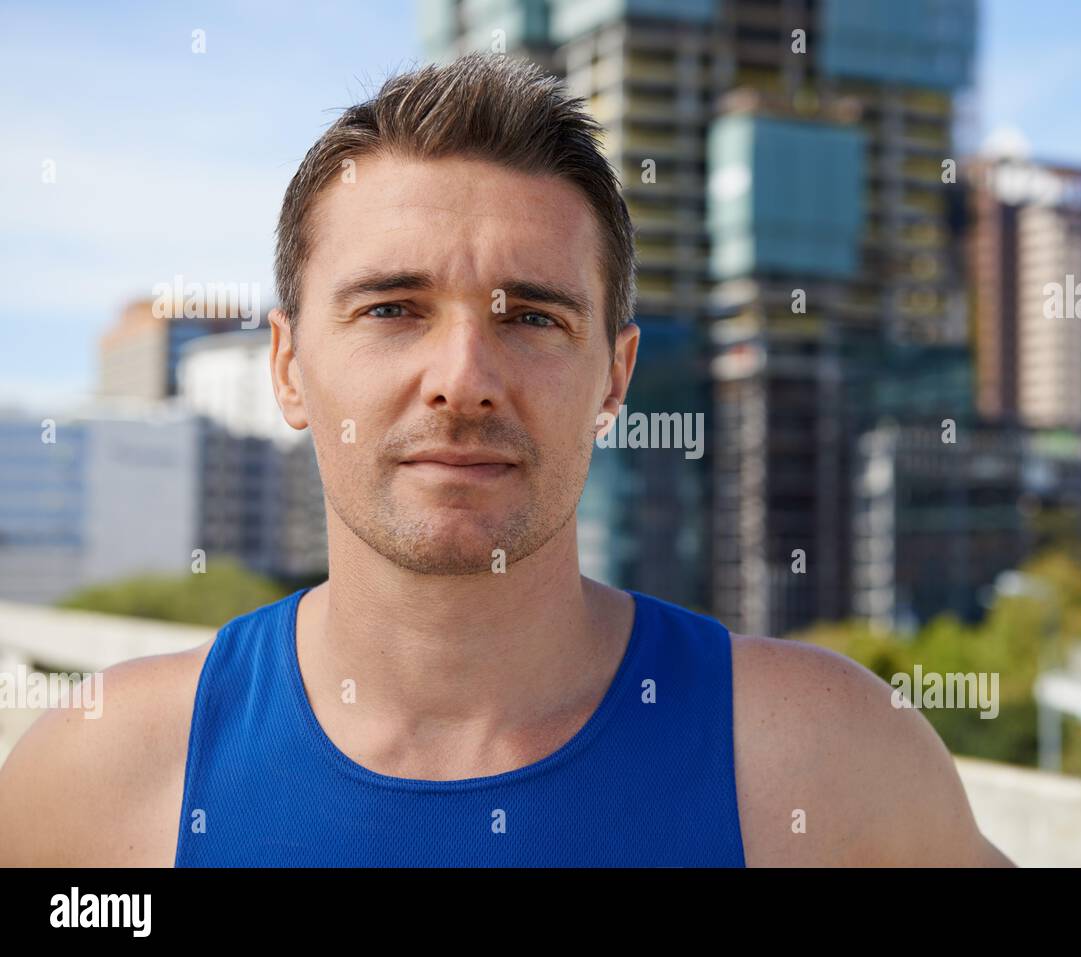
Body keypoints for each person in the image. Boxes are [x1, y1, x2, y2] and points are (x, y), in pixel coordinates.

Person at [0, 52, 1013, 867]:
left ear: (614, 382)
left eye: (531, 316)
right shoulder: (103, 777)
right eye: (392, 309)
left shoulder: (825, 760)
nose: (464, 378)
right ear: (289, 367)